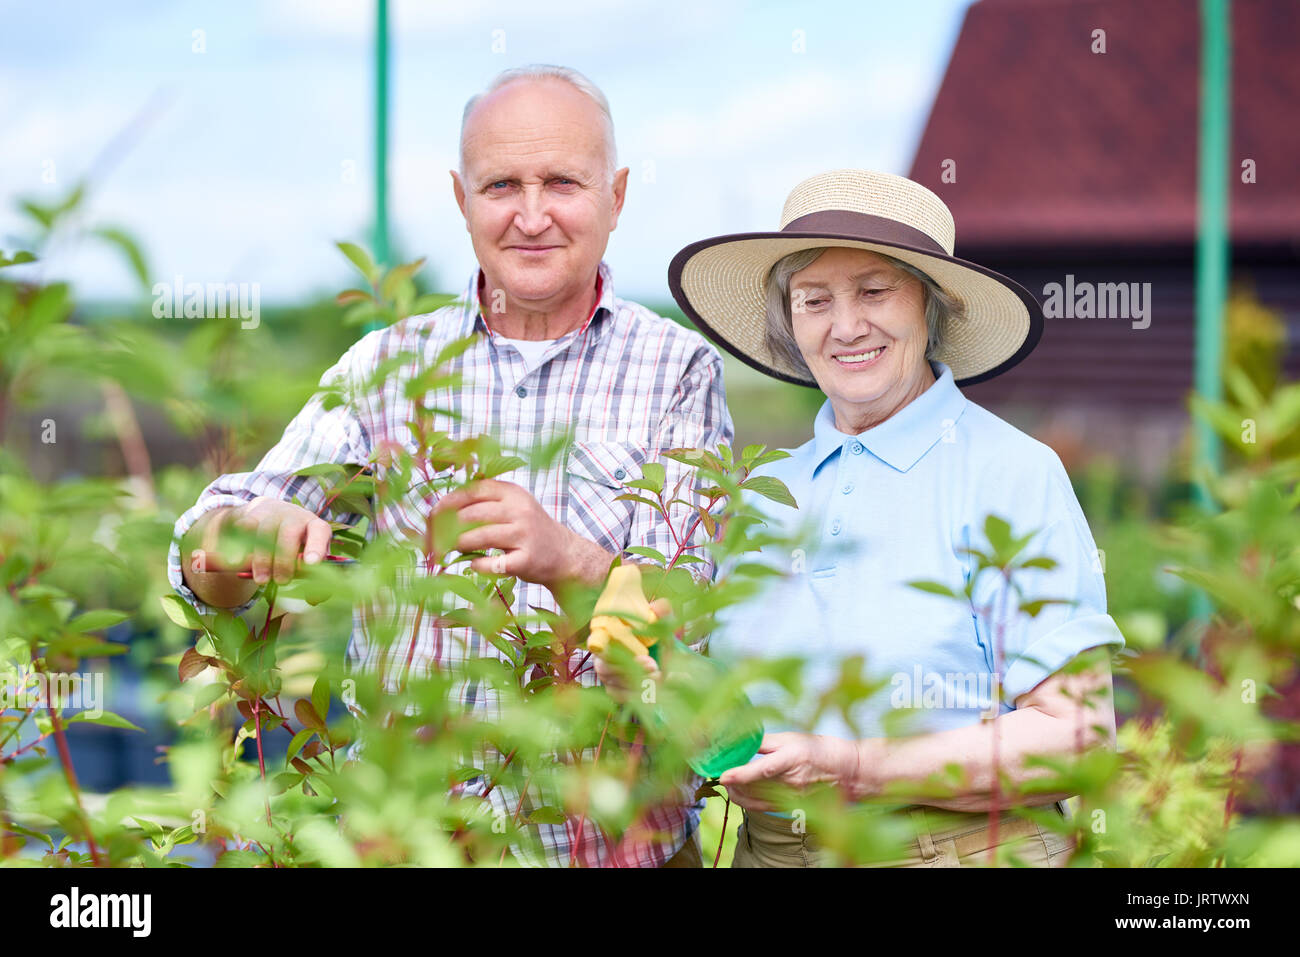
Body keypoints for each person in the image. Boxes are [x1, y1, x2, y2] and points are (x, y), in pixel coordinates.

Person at [168, 65, 733, 868]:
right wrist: (243, 537)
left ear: (617, 194)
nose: (531, 215)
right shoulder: (387, 366)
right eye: (501, 184)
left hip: (607, 849)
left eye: (562, 183)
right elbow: (203, 559)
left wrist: (568, 560)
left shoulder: (679, 369)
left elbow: (686, 628)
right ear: (462, 200)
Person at [667, 168, 1124, 867]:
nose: (846, 326)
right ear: (789, 321)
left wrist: (851, 767)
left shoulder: (1009, 472)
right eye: (813, 299)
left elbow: (1077, 737)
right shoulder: (761, 490)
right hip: (769, 852)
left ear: (930, 306)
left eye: (875, 291)